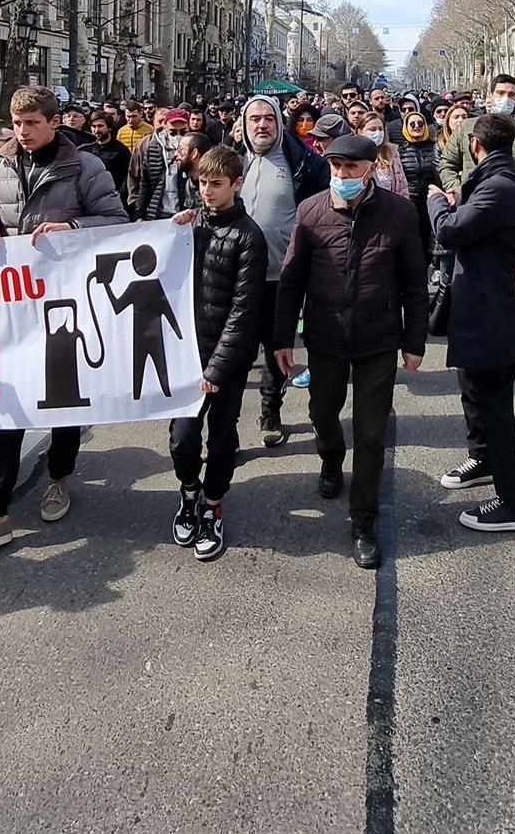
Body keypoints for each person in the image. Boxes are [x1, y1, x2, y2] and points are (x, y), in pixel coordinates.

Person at [0, 86, 128, 559]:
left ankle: (58, 478)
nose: (22, 132)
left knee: (62, 403)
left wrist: (73, 228)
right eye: (17, 123)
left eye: (32, 123)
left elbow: (116, 220)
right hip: (9, 305)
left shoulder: (85, 166)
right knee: (1, 404)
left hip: (63, 305)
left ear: (53, 122)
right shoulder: (0, 164)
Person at [274, 132, 428, 570]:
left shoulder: (398, 213)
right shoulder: (311, 211)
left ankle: (363, 520)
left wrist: (414, 341)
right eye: (335, 166)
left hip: (378, 338)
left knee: (371, 432)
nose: (341, 174)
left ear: (370, 169)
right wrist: (282, 338)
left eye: (350, 167)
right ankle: (330, 460)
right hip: (325, 337)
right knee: (322, 413)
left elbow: (415, 281)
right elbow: (291, 280)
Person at [428, 114, 515, 532]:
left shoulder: (500, 184)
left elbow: (450, 231)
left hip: (494, 309)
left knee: (494, 405)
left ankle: (511, 503)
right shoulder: (495, 177)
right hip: (478, 303)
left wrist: (437, 201)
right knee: (473, 389)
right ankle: (482, 458)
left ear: (474, 144)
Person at [165, 144, 266, 563]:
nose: (207, 191)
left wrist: (217, 368)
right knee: (182, 439)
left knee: (222, 437)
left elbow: (243, 311)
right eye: (202, 183)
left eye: (216, 184)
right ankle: (189, 491)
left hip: (227, 360)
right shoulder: (191, 225)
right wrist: (171, 231)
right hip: (187, 354)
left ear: (236, 184)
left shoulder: (249, 236)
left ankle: (212, 505)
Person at [238, 95, 328, 446]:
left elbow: (323, 210)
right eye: (255, 119)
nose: (262, 125)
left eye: (269, 118)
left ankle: (270, 411)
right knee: (235, 353)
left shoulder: (302, 161)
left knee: (277, 349)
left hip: (282, 278)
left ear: (279, 122)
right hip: (238, 279)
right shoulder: (231, 160)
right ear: (244, 124)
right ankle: (226, 427)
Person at [437, 74, 515, 205]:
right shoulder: (466, 127)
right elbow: (447, 164)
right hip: (470, 207)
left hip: (511, 209)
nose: (505, 98)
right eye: (500, 93)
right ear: (491, 95)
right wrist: (460, 194)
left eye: (511, 95)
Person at [129, 108, 194, 220]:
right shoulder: (153, 148)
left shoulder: (195, 148)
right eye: (173, 132)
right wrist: (138, 214)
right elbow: (145, 184)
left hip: (185, 213)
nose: (178, 136)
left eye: (183, 132)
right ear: (165, 126)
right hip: (157, 213)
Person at [396, 109, 442, 260]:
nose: (417, 127)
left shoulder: (435, 148)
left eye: (420, 124)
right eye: (412, 124)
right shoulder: (400, 151)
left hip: (431, 201)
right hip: (410, 202)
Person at [84, 110, 133, 205]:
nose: (96, 130)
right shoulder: (87, 148)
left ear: (109, 127)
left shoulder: (121, 150)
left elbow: (127, 178)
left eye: (100, 126)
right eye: (93, 126)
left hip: (111, 198)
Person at [362, 114, 410, 196]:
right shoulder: (355, 155)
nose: (378, 133)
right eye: (373, 129)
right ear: (360, 131)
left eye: (381, 129)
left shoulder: (392, 152)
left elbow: (402, 186)